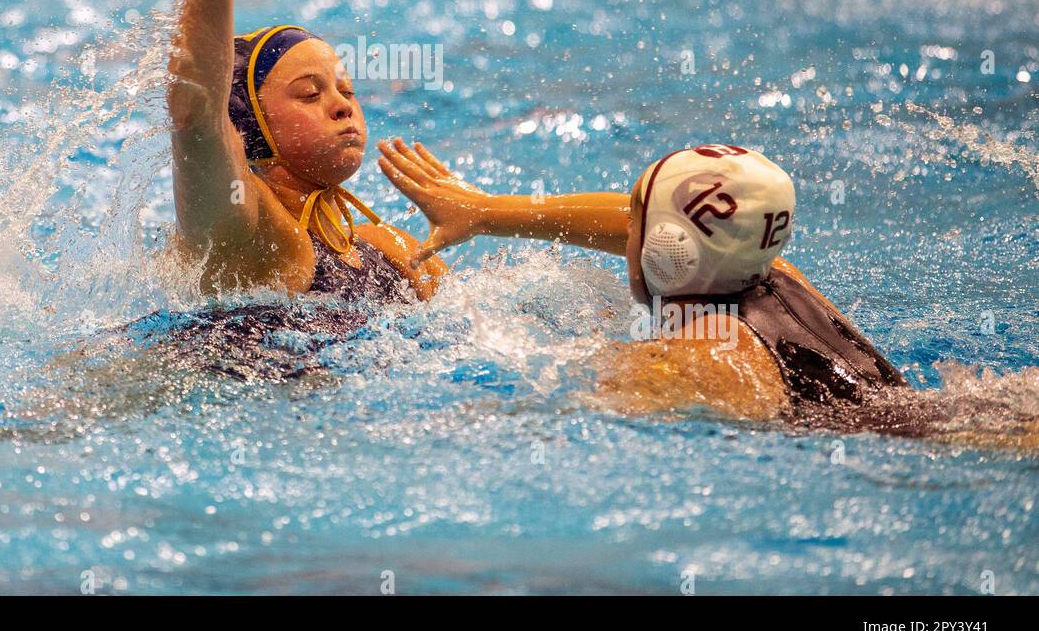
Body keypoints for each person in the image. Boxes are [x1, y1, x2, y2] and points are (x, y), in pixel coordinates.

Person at [376, 138, 911, 423]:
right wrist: (486, 211)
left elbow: (544, 414)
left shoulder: (697, 357)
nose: (623, 230)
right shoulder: (777, 277)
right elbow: (689, 229)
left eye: (637, 222)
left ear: (667, 252)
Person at [165, 0, 447, 303]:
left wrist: (484, 215)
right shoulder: (243, 234)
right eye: (309, 94)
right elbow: (195, 111)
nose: (342, 105)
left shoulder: (392, 249)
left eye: (347, 90)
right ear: (248, 124)